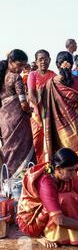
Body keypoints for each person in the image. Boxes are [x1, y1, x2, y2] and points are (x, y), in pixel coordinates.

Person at [17, 148, 78, 249]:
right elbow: (59, 220)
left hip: (53, 212)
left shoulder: (64, 174)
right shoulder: (45, 183)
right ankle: (43, 235)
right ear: (58, 168)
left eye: (75, 170)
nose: (73, 174)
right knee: (65, 198)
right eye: (70, 170)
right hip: (32, 222)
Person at [42, 51, 78, 162]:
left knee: (62, 156)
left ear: (57, 65)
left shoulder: (50, 84)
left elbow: (46, 108)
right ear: (72, 64)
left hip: (59, 128)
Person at [0, 49, 35, 177]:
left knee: (8, 149)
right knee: (22, 149)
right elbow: (23, 104)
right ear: (11, 61)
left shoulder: (2, 76)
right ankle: (22, 180)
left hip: (4, 120)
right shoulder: (16, 77)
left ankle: (6, 179)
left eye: (23, 66)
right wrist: (29, 111)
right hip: (17, 121)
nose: (21, 69)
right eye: (19, 65)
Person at [27, 50, 57, 164]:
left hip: (50, 112)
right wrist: (39, 109)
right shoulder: (33, 74)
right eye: (40, 59)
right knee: (37, 139)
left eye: (45, 59)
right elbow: (31, 95)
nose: (43, 61)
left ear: (49, 60)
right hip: (37, 113)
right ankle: (36, 164)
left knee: (49, 139)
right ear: (36, 62)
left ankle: (48, 163)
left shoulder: (53, 75)